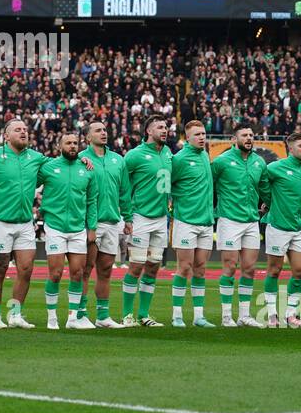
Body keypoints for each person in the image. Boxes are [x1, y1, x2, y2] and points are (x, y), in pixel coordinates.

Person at [0, 119, 46, 329]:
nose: (23, 132)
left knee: (26, 269)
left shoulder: (37, 158)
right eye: (18, 129)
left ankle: (15, 315)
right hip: (0, 221)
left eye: (26, 129)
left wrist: (83, 160)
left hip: (25, 222)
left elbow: (60, 165)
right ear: (6, 136)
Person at [37, 132, 98, 330]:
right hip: (55, 227)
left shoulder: (87, 169)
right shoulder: (48, 168)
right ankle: (52, 317)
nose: (72, 146)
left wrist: (92, 228)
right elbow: (29, 182)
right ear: (59, 146)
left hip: (78, 228)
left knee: (78, 273)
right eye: (68, 143)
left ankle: (72, 319)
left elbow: (91, 201)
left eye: (75, 143)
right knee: (55, 273)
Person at [211, 123, 268, 328]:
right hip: (229, 220)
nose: (249, 138)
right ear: (235, 139)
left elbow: (264, 187)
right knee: (229, 267)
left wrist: (266, 202)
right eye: (244, 135)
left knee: (250, 268)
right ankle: (227, 316)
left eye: (251, 135)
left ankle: (244, 315)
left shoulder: (259, 162)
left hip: (252, 221)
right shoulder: (221, 161)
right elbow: (210, 186)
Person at [122, 115, 173, 327]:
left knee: (153, 267)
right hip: (140, 217)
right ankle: (126, 315)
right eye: (160, 127)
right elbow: (122, 183)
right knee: (136, 266)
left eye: (166, 127)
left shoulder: (169, 153)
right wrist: (127, 215)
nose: (165, 130)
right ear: (148, 131)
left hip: (161, 219)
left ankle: (144, 315)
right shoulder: (134, 155)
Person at [259, 132, 301, 327]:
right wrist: (268, 201)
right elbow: (261, 183)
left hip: (298, 226)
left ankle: (290, 314)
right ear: (290, 149)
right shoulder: (275, 167)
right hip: (278, 226)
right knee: (275, 270)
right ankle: (273, 314)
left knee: (300, 271)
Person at [80, 120, 128, 328]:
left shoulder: (118, 160)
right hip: (89, 222)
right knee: (85, 268)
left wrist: (129, 218)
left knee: (106, 269)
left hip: (112, 221)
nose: (103, 132)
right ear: (88, 137)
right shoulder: (81, 158)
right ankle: (80, 315)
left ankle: (102, 317)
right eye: (98, 130)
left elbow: (125, 191)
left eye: (105, 129)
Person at [169, 121, 215, 327]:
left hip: (206, 222)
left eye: (203, 133)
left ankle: (198, 316)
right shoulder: (178, 159)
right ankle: (177, 315)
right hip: (186, 220)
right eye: (197, 134)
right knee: (184, 267)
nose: (202, 137)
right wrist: (174, 206)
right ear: (187, 138)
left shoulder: (205, 156)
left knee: (200, 269)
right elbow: (165, 184)